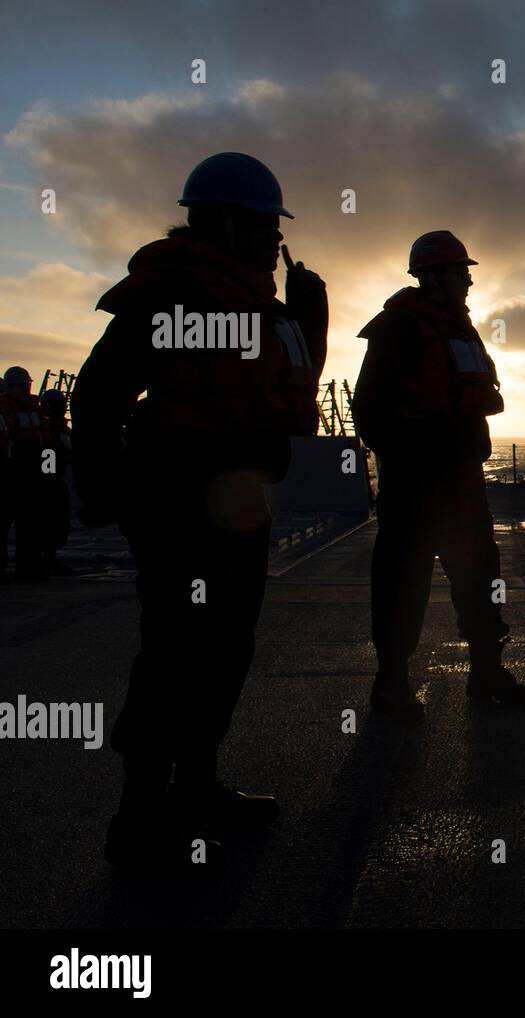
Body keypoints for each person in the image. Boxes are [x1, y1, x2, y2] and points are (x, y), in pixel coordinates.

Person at [73, 151, 327, 871]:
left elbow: (290, 402)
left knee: (225, 647)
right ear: (219, 221)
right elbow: (100, 392)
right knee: (176, 653)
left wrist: (308, 324)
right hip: (182, 501)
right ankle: (141, 815)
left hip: (241, 507)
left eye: (276, 229)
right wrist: (101, 483)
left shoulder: (259, 304)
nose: (275, 241)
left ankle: (197, 787)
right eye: (260, 226)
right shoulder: (176, 292)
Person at [353, 229, 525, 726]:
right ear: (432, 277)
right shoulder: (399, 329)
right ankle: (391, 682)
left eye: (468, 273)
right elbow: (368, 409)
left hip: (462, 481)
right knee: (403, 582)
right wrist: (410, 454)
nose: (469, 282)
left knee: (481, 576)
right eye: (460, 273)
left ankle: (487, 670)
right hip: (414, 484)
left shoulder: (461, 330)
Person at [0, 366, 48, 580]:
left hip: (32, 473)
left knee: (31, 523)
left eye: (27, 385)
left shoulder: (35, 410)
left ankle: (28, 567)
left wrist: (50, 472)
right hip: (11, 473)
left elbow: (47, 444)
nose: (26, 389)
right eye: (22, 386)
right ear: (10, 388)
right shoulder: (4, 410)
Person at [38, 388, 72, 573]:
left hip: (56, 479)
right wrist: (50, 478)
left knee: (59, 521)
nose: (63, 407)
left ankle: (50, 556)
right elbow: (47, 454)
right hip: (49, 482)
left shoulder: (59, 426)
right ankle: (46, 558)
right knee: (49, 521)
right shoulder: (48, 426)